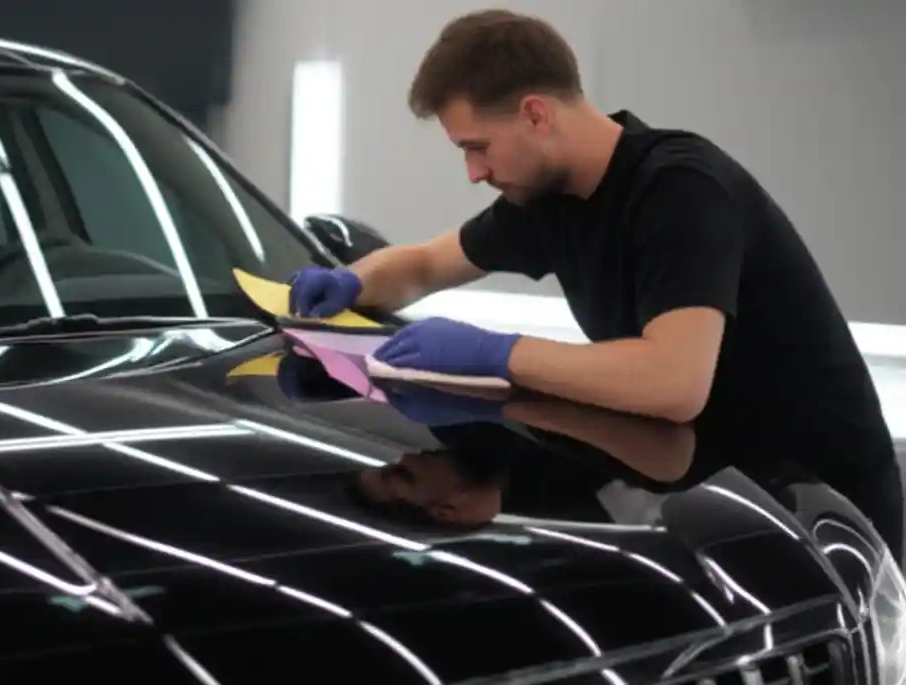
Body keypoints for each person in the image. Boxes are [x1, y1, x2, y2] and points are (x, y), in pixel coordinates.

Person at [288, 8, 899, 496]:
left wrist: (494, 354)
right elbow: (421, 265)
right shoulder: (550, 199)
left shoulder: (680, 190)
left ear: (535, 115)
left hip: (822, 511)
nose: (474, 172)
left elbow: (673, 381)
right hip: (711, 487)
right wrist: (350, 283)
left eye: (477, 147)